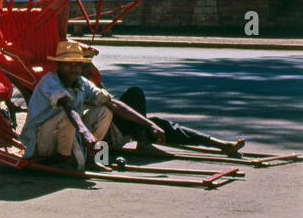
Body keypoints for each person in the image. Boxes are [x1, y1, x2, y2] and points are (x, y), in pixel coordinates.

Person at [21, 40, 158, 169]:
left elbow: (112, 104)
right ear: (59, 65)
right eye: (68, 64)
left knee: (104, 110)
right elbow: (68, 107)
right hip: (42, 141)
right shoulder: (49, 81)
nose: (73, 68)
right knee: (68, 114)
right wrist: (85, 133)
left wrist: (149, 124)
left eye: (77, 64)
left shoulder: (82, 82)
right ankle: (64, 160)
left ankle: (93, 157)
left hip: (67, 135)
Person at [109, 86, 246, 156]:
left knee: (160, 125)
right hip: (106, 131)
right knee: (134, 94)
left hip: (116, 124)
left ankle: (222, 145)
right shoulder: (87, 83)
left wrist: (148, 123)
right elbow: (111, 104)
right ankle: (143, 142)